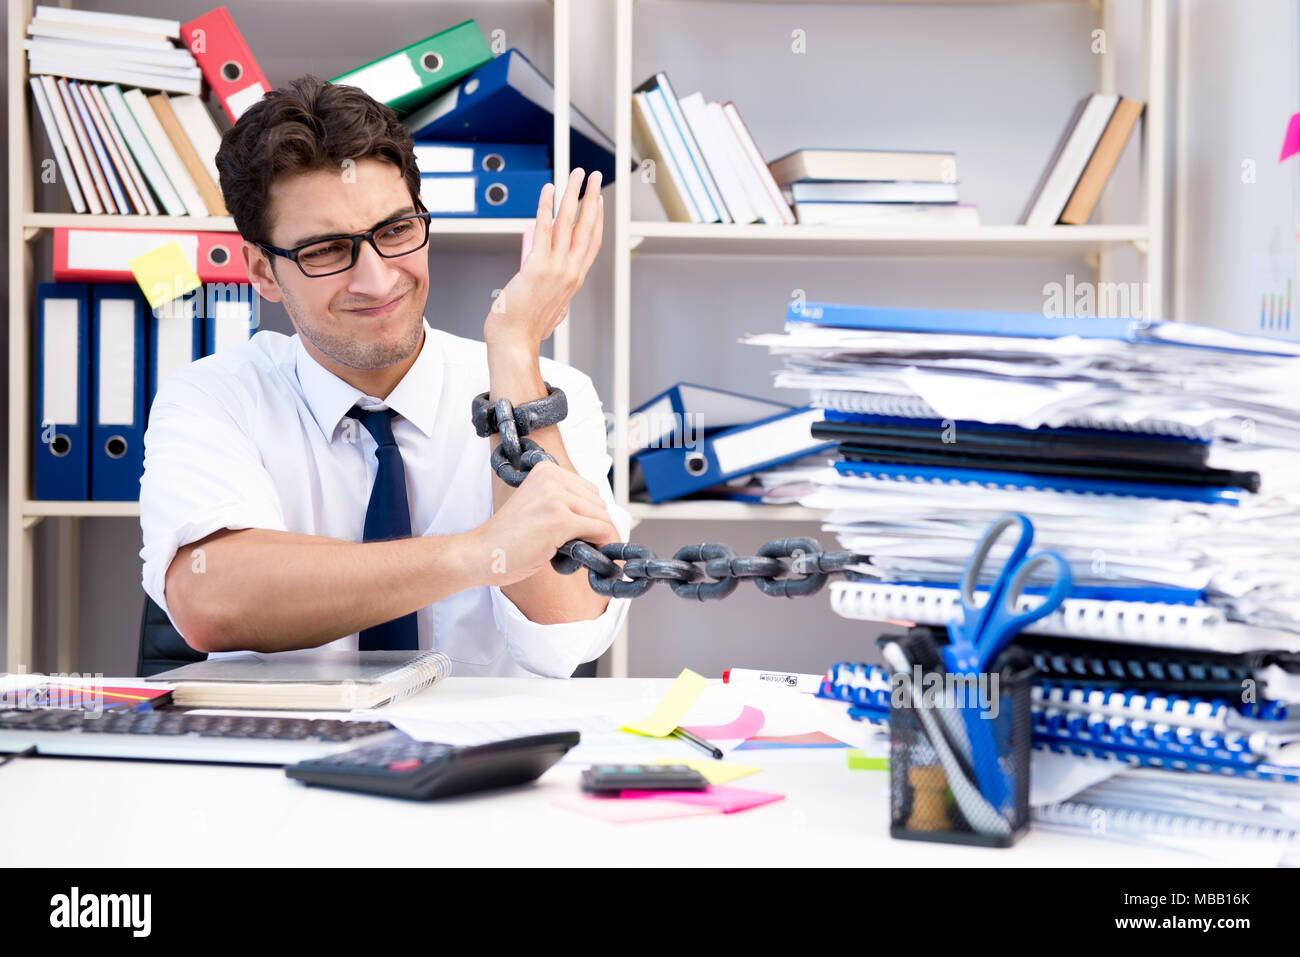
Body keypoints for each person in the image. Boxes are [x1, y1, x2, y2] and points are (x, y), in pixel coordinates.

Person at [138, 75, 631, 677]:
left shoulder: (547, 389)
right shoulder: (215, 397)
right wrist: (479, 553)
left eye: (395, 231)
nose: (376, 280)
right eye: (324, 250)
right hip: (273, 761)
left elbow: (566, 634)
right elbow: (211, 599)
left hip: (482, 760)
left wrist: (513, 346)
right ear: (263, 271)